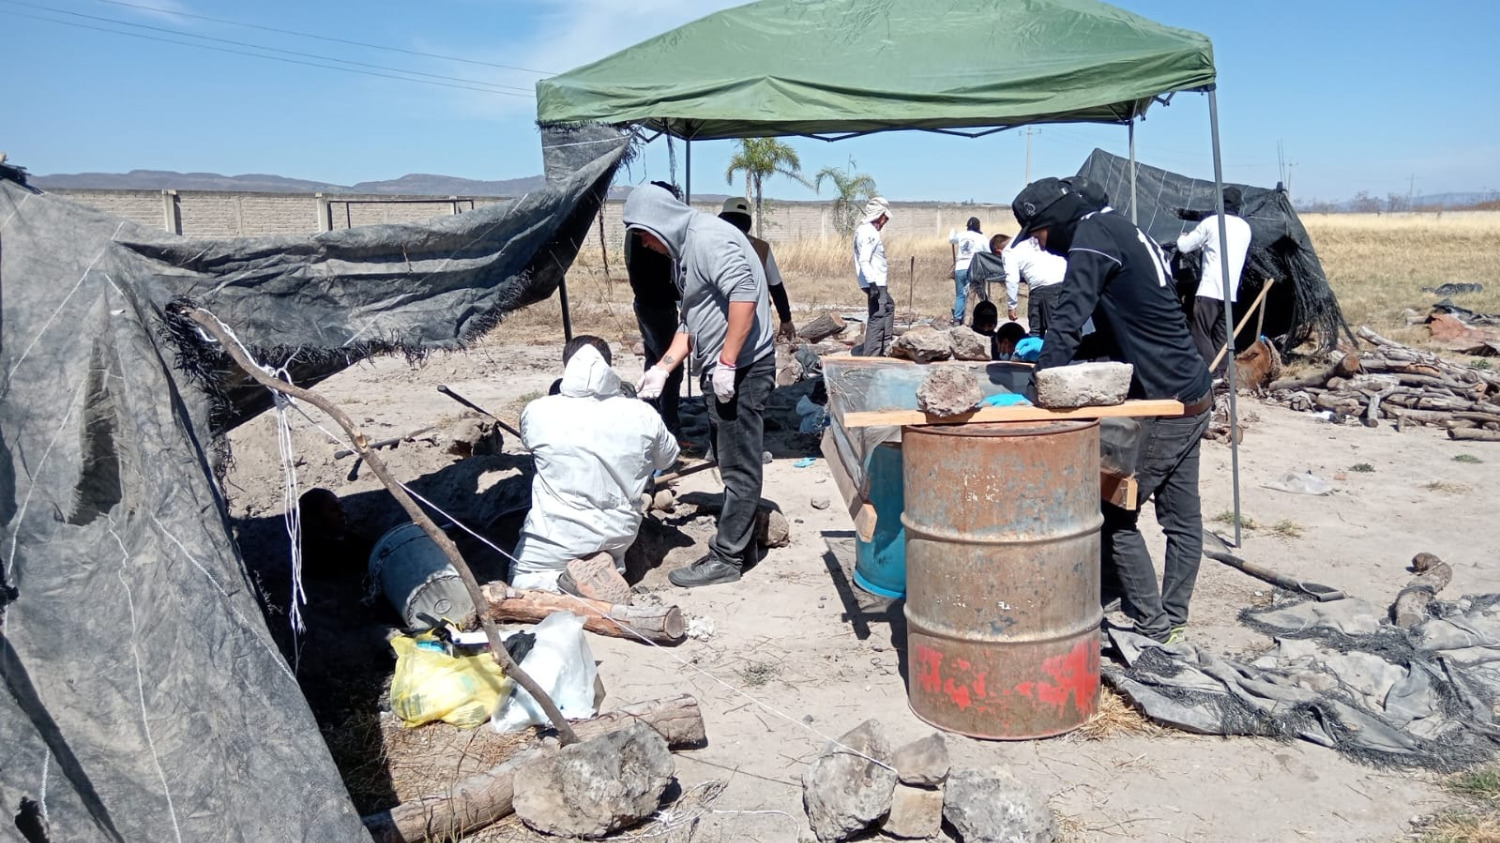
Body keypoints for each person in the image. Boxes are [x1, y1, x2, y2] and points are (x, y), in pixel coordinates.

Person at [1011, 176, 1213, 645]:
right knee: (1181, 519)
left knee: (1112, 515)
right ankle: (1172, 615)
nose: (1041, 246)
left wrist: (1041, 382)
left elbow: (1067, 313)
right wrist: (1080, 353)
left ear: (1056, 220)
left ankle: (1153, 627)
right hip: (1193, 389)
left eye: (1039, 235)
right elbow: (1123, 321)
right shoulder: (1120, 228)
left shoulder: (1092, 238)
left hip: (1166, 403)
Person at [624, 184, 777, 588]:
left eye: (642, 233)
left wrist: (727, 362)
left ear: (660, 220)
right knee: (728, 458)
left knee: (740, 465)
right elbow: (693, 319)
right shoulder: (685, 250)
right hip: (723, 370)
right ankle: (744, 544)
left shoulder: (709, 238)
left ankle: (727, 558)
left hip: (743, 368)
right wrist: (663, 367)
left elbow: (744, 296)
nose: (642, 243)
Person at [511, 336, 679, 592]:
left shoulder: (537, 410)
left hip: (555, 536)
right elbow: (667, 458)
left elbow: (529, 446)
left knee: (521, 579)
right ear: (610, 366)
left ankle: (562, 584)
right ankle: (609, 571)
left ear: (566, 367)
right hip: (619, 534)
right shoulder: (643, 414)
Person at [626, 181, 687, 442]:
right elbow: (663, 274)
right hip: (656, 305)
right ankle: (669, 427)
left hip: (648, 303)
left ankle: (651, 419)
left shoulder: (637, 231)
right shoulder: (647, 233)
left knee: (654, 362)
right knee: (670, 367)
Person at [1176, 187, 1252, 375]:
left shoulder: (1211, 223)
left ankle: (1211, 373)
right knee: (1222, 337)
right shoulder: (1245, 227)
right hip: (1230, 293)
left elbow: (1184, 247)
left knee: (1200, 332)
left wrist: (1182, 236)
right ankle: (1224, 374)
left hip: (1209, 289)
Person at [719, 197, 797, 342]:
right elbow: (776, 286)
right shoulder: (761, 247)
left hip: (721, 317)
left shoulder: (713, 246)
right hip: (757, 319)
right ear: (748, 222)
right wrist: (785, 318)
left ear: (723, 219)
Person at [1000, 230, 1068, 337]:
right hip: (1065, 282)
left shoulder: (1009, 251)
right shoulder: (1033, 235)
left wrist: (1012, 306)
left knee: (1038, 332)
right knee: (1064, 330)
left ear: (998, 250)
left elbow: (1012, 279)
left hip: (1041, 288)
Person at [853, 197, 894, 356]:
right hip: (875, 282)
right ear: (879, 215)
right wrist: (873, 284)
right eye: (885, 217)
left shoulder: (864, 231)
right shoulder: (869, 233)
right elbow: (864, 259)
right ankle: (871, 355)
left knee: (889, 307)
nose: (886, 221)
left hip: (875, 282)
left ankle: (886, 346)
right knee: (877, 316)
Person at [948, 216, 988, 324]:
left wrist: (953, 229)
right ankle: (983, 317)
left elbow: (951, 239)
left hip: (960, 268)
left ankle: (957, 318)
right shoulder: (981, 237)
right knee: (979, 295)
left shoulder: (961, 235)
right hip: (974, 269)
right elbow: (989, 251)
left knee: (960, 295)